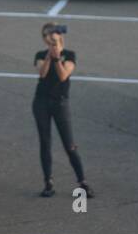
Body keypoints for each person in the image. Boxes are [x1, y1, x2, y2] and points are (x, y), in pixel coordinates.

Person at [32, 22, 93, 200]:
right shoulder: (40, 55)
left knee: (70, 145)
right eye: (45, 36)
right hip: (41, 103)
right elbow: (42, 73)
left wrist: (58, 57)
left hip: (60, 103)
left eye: (51, 35)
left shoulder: (69, 55)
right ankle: (48, 183)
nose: (48, 39)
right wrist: (51, 56)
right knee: (45, 142)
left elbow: (63, 75)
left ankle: (82, 182)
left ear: (60, 37)